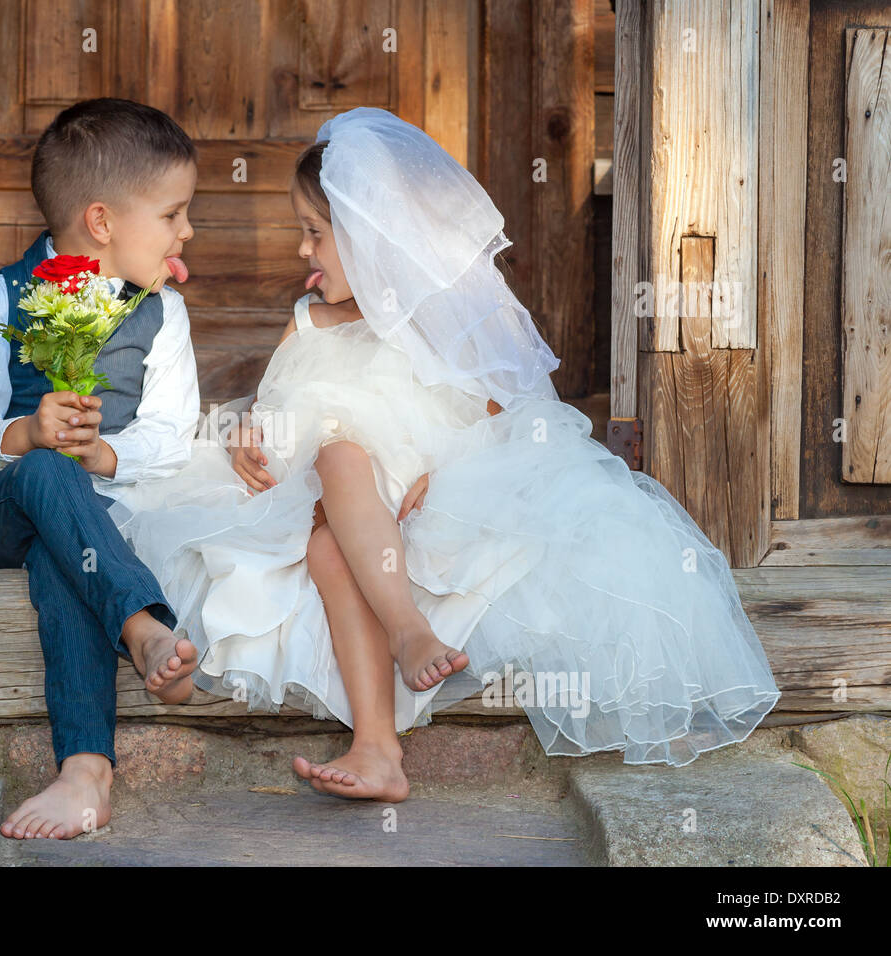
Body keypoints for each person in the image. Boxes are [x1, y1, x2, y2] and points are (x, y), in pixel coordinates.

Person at [106, 107, 782, 802]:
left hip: (412, 493)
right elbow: (271, 406)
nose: (303, 252)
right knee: (325, 540)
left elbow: (505, 417)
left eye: (316, 234)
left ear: (370, 237)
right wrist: (250, 436)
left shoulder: (435, 325)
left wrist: (449, 467)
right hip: (319, 502)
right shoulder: (308, 319)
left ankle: (407, 635)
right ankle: (378, 746)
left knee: (343, 460)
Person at [0, 98, 201, 838]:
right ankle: (145, 628)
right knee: (51, 475)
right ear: (103, 221)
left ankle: (85, 773)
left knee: (66, 555)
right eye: (174, 214)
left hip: (99, 521)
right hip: (5, 509)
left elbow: (175, 435)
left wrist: (106, 451)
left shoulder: (162, 314)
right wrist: (25, 433)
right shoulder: (3, 298)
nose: (187, 232)